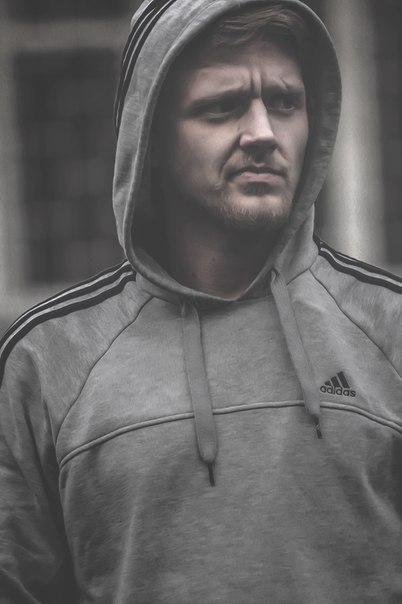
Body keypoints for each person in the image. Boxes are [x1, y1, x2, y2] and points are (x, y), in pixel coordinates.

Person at [1, 0, 402, 601]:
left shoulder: (390, 328)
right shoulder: (48, 360)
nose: (263, 133)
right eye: (222, 106)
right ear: (150, 137)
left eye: (285, 103)